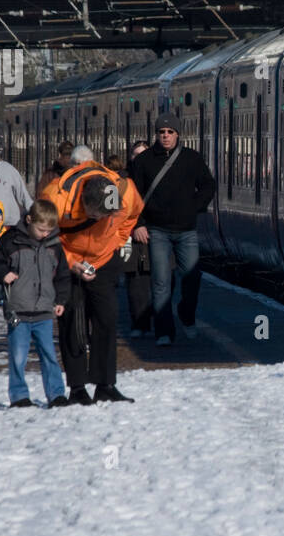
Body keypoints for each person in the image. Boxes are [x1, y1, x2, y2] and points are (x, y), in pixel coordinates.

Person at [46, 145, 143, 404]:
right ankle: (77, 387)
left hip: (103, 261)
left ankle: (105, 383)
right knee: (73, 324)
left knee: (107, 319)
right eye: (95, 215)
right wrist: (71, 262)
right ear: (83, 202)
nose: (100, 219)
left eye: (105, 215)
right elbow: (43, 236)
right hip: (69, 263)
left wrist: (116, 241)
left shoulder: (123, 190)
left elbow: (132, 215)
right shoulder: (56, 195)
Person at [129, 114, 217, 347]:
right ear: (156, 135)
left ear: (178, 134)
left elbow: (209, 185)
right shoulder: (144, 161)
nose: (166, 136)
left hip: (186, 230)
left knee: (192, 278)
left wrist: (194, 207)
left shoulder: (192, 159)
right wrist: (138, 224)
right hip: (157, 230)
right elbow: (133, 196)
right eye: (161, 132)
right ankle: (164, 331)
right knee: (160, 281)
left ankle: (186, 314)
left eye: (170, 132)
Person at [0, 199, 71, 408]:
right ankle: (19, 396)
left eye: (49, 230)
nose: (44, 234)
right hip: (18, 310)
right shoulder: (12, 240)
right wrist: (3, 273)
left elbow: (62, 275)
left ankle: (57, 394)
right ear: (30, 220)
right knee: (18, 356)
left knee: (49, 355)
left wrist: (61, 300)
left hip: (44, 310)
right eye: (41, 229)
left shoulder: (54, 245)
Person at [114, 142, 154, 338]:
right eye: (136, 155)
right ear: (130, 157)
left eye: (144, 154)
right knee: (136, 280)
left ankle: (153, 319)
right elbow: (113, 209)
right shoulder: (121, 181)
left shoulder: (159, 175)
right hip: (130, 237)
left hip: (157, 233)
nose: (140, 158)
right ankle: (139, 323)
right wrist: (135, 225)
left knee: (163, 281)